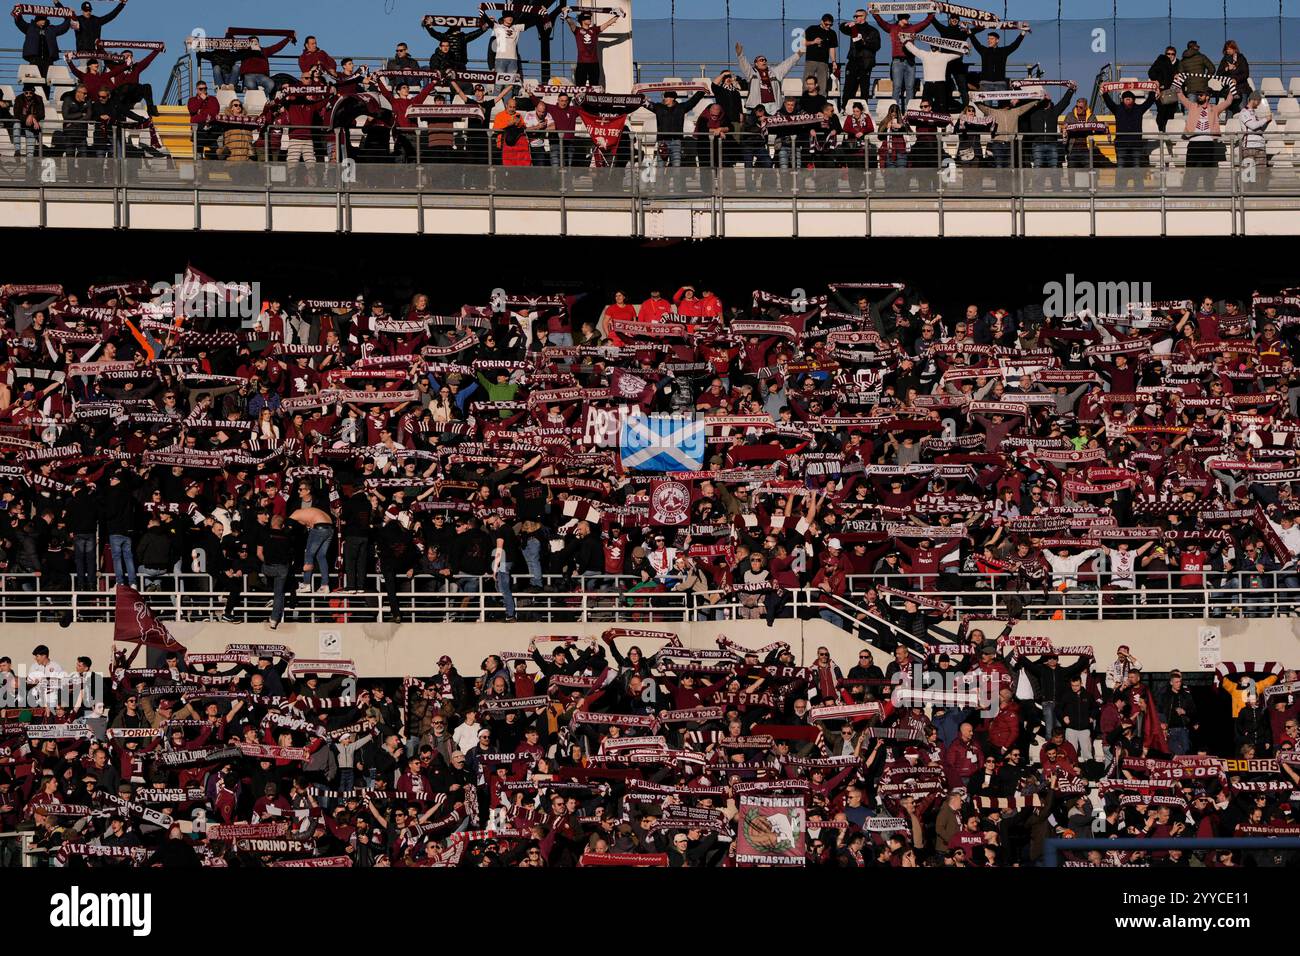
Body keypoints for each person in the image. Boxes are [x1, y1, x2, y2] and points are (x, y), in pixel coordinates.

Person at [562, 7, 620, 89]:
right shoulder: (577, 30)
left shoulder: (594, 30)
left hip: (594, 63)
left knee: (595, 87)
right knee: (580, 86)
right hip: (582, 63)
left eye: (590, 17)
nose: (589, 19)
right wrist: (566, 15)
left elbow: (607, 24)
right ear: (582, 20)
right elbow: (571, 24)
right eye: (587, 18)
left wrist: (618, 15)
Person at [13, 6, 72, 83]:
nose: (44, 21)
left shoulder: (51, 29)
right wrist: (18, 10)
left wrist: (68, 16)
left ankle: (46, 95)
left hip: (48, 60)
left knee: (47, 82)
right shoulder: (29, 28)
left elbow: (64, 27)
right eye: (42, 19)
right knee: (34, 81)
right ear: (37, 20)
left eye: (45, 19)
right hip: (34, 59)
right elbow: (19, 22)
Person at [838, 8, 880, 109]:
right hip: (853, 61)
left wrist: (864, 42)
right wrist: (846, 24)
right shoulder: (853, 28)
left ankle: (864, 110)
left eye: (857, 16)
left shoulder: (872, 30)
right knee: (849, 87)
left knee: (864, 88)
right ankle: (845, 109)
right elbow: (841, 28)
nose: (855, 18)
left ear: (863, 17)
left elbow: (877, 46)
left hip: (865, 63)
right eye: (854, 16)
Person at [803, 14, 838, 104]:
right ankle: (805, 102)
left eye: (830, 25)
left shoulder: (832, 33)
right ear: (821, 22)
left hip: (824, 62)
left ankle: (822, 103)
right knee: (808, 82)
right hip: (811, 60)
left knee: (823, 84)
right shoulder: (812, 29)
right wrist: (813, 42)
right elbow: (804, 43)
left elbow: (832, 48)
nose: (828, 26)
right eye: (826, 24)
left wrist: (834, 61)